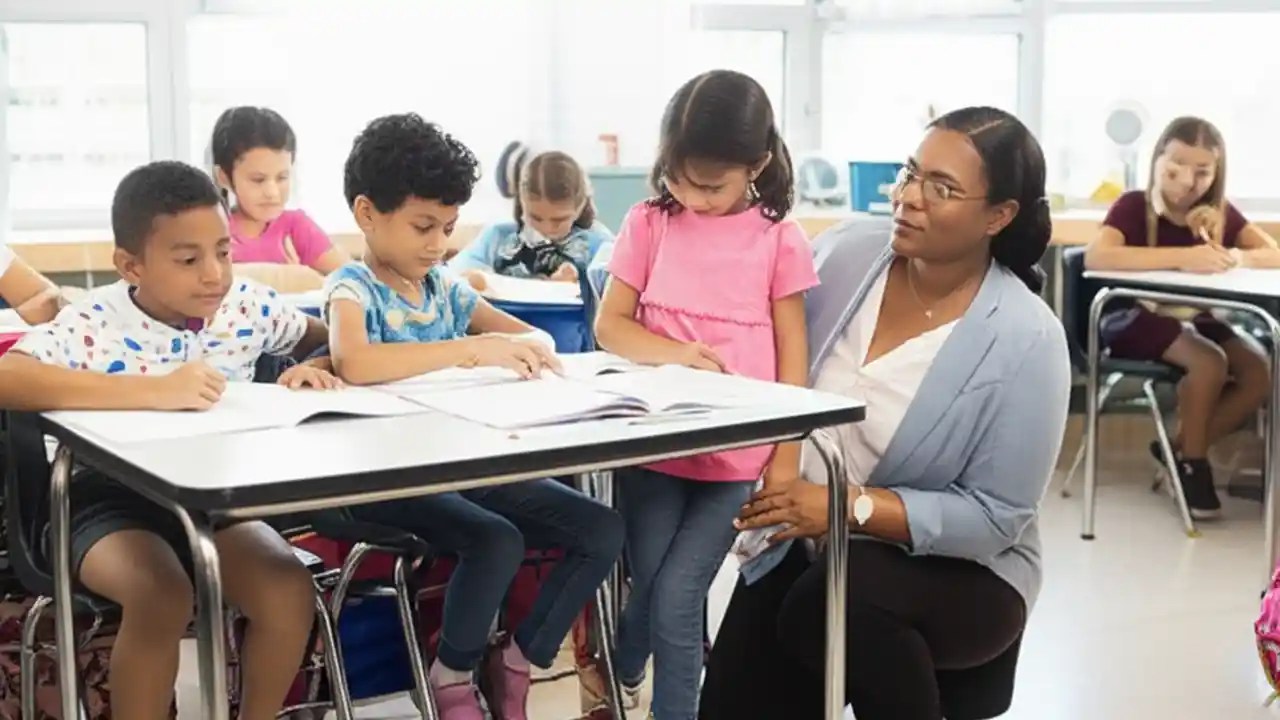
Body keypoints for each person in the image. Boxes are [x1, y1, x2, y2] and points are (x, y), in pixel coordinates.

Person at [699, 107, 1070, 720]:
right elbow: (763, 353)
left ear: (998, 217)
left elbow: (996, 517)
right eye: (909, 173)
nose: (908, 198)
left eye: (941, 188)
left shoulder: (1029, 339)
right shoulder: (846, 252)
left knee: (842, 600)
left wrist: (849, 508)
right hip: (808, 540)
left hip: (963, 572)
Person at [0, 160, 337, 720]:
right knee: (161, 594)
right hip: (104, 502)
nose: (214, 274)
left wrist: (321, 362)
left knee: (286, 586)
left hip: (210, 499)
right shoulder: (96, 321)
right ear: (131, 265)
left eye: (224, 252)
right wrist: (152, 391)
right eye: (188, 259)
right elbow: (9, 378)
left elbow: (331, 336)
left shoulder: (245, 309)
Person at [323, 113, 625, 720]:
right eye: (423, 227)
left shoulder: (445, 288)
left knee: (602, 530)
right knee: (495, 539)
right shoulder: (351, 287)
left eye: (450, 227)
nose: (438, 244)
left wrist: (528, 349)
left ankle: (516, 659)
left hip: (469, 466)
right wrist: (468, 349)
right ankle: (451, 678)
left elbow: (532, 334)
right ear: (366, 214)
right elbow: (353, 360)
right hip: (392, 479)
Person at [594, 69, 818, 720]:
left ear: (759, 164)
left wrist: (785, 461)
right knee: (651, 588)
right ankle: (622, 665)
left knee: (676, 596)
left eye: (712, 185)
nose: (693, 197)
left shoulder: (780, 238)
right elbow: (611, 326)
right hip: (652, 447)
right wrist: (676, 356)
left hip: (736, 460)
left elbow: (793, 355)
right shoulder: (648, 223)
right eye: (679, 178)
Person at [1084, 116, 1278, 519]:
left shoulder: (1218, 214)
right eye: (1175, 169)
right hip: (1133, 315)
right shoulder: (1132, 206)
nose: (1188, 182)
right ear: (1157, 163)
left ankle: (1179, 450)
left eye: (1202, 172)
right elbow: (1097, 255)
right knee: (1210, 363)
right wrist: (1185, 259)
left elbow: (1273, 252)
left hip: (1197, 317)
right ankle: (1191, 465)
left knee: (1259, 370)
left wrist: (1235, 255)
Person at [211, 106, 350, 275]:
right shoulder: (212, 235)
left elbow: (356, 282)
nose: (272, 192)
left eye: (282, 178)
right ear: (224, 177)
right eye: (258, 180)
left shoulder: (296, 228)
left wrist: (303, 277)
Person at [450, 150, 614, 292]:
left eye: (559, 219)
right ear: (522, 203)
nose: (547, 228)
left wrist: (580, 284)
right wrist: (477, 278)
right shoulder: (497, 236)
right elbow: (453, 274)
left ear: (580, 206)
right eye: (535, 217)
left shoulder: (601, 244)